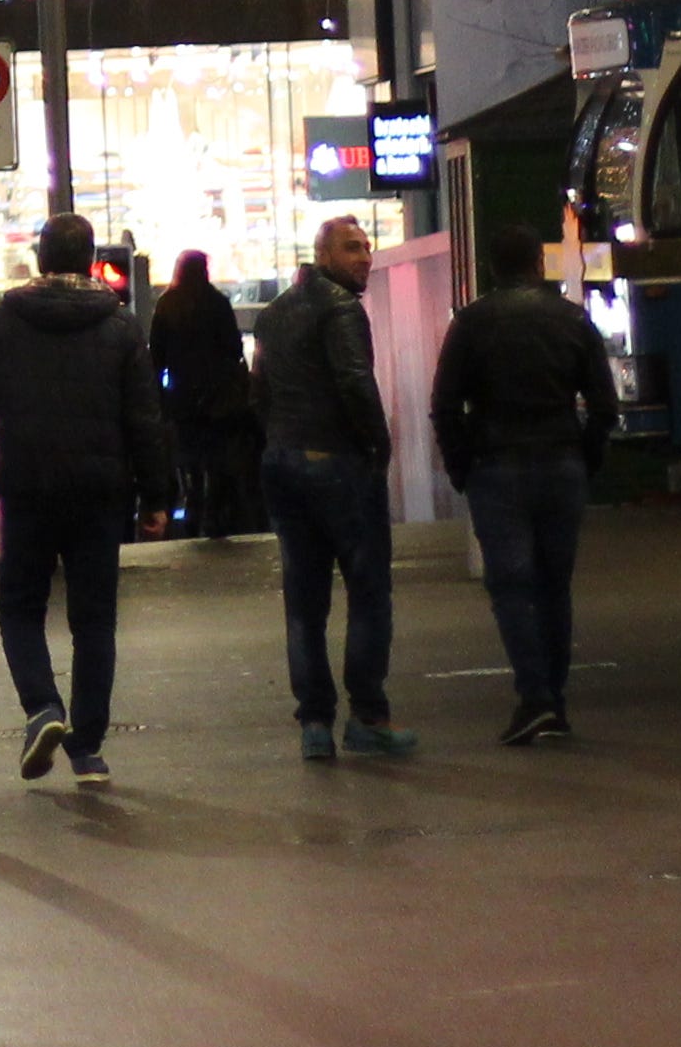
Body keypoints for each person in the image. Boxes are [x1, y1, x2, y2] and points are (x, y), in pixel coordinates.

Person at [0, 214, 164, 789]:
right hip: (99, 493)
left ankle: (44, 707)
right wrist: (158, 494)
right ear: (92, 259)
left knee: (20, 608)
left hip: (25, 488)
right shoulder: (119, 325)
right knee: (94, 620)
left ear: (42, 258)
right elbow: (143, 416)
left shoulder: (0, 322)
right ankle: (88, 749)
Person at [427, 221, 616, 744]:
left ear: (492, 268)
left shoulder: (470, 323)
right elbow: (604, 405)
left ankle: (535, 699)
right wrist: (587, 459)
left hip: (497, 465)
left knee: (512, 587)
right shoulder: (573, 321)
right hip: (561, 463)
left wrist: (462, 465)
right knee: (555, 586)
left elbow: (444, 406)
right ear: (539, 263)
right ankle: (552, 700)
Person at [256, 215, 416, 762]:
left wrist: (278, 440)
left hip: (283, 462)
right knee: (369, 591)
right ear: (322, 255)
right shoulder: (342, 309)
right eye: (352, 249)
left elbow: (260, 388)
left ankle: (315, 724)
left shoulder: (275, 313)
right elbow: (354, 379)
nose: (365, 258)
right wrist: (379, 444)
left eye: (367, 248)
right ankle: (368, 716)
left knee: (304, 601)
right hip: (337, 465)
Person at [149, 250, 257, 541]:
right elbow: (234, 349)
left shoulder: (167, 305)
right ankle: (215, 515)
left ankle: (193, 512)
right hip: (218, 399)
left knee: (189, 461)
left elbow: (156, 357)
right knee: (217, 460)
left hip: (182, 399)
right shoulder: (217, 303)